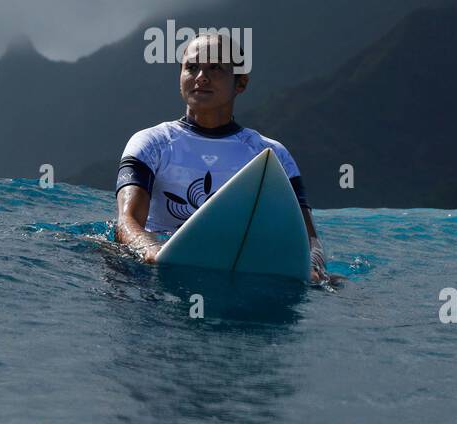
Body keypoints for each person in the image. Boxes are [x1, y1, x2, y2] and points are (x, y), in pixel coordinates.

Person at [114, 32, 333, 283]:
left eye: (215, 68)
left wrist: (313, 267)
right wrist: (149, 249)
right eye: (191, 68)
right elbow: (126, 221)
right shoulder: (151, 143)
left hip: (237, 271)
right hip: (162, 269)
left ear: (240, 83)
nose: (201, 77)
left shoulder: (271, 156)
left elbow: (309, 238)